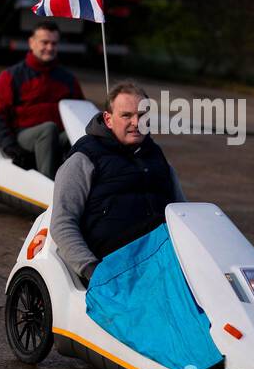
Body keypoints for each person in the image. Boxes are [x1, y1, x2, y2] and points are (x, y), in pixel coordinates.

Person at [50, 81, 187, 283]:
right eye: (126, 116)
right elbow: (62, 224)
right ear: (108, 119)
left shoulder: (157, 157)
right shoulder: (84, 159)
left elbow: (182, 212)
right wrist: (93, 271)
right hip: (116, 267)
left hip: (162, 260)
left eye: (142, 116)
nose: (136, 122)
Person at [0, 20, 83, 178]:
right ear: (32, 43)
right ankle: (47, 190)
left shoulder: (68, 79)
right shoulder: (12, 76)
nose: (50, 48)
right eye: (45, 42)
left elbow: (79, 113)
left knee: (79, 135)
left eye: (54, 43)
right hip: (24, 136)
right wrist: (11, 149)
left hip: (57, 136)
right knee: (48, 129)